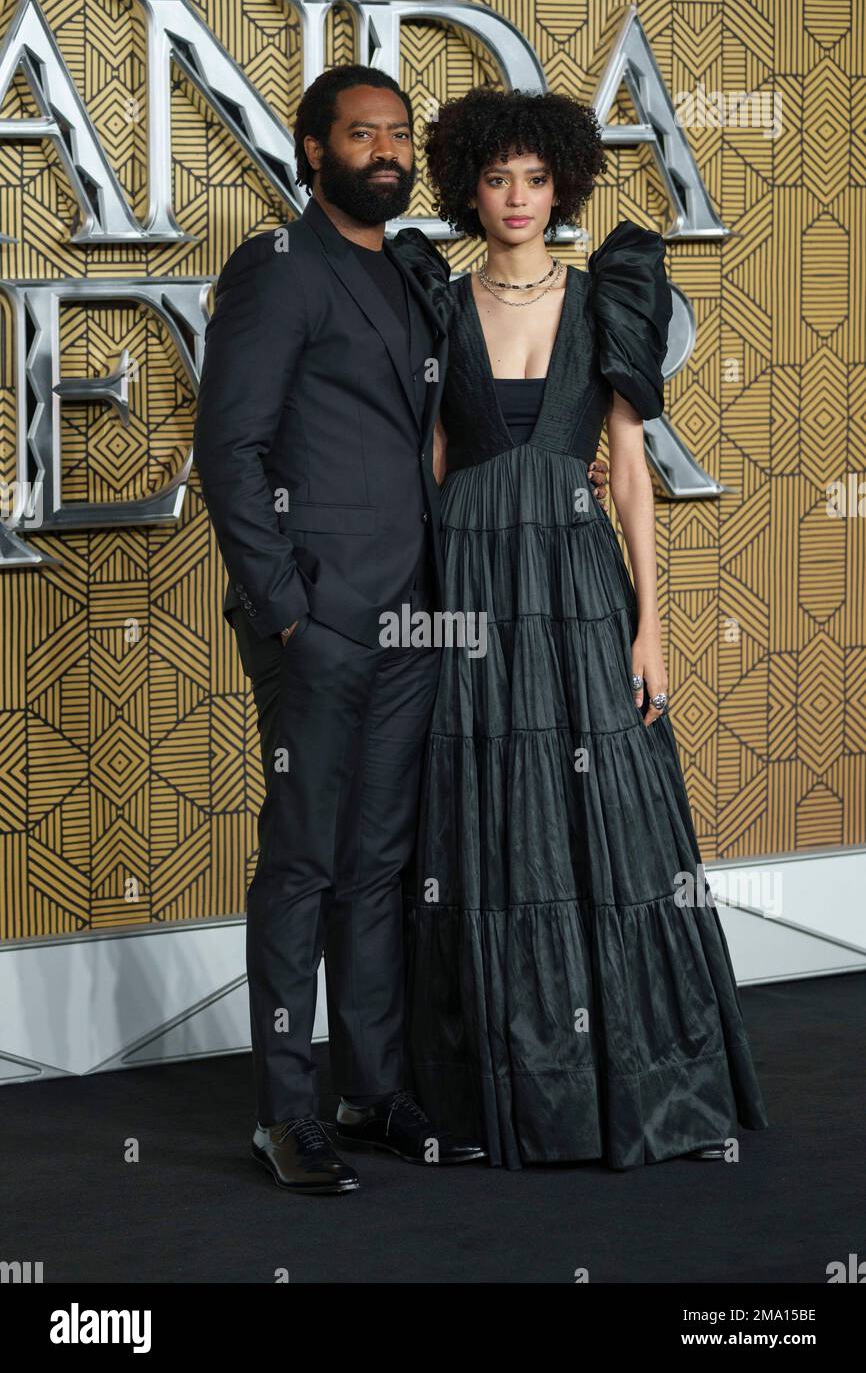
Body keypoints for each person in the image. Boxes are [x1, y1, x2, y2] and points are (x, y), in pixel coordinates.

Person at [193, 65, 609, 1194]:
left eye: (394, 134)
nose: (381, 150)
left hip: (419, 614)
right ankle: (287, 1114)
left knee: (380, 866)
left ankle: (368, 1091)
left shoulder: (409, 273)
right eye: (357, 133)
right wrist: (286, 610)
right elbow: (225, 451)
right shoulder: (279, 269)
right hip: (318, 621)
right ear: (313, 149)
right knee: (304, 864)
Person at [401, 86, 770, 1171]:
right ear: (469, 190)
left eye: (533, 177)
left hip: (574, 576)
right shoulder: (433, 298)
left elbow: (631, 478)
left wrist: (650, 624)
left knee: (612, 814)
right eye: (495, 179)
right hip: (466, 572)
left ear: (562, 183)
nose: (516, 197)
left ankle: (648, 1085)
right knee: (478, 815)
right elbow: (425, 463)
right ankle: (486, 1099)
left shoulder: (610, 291)